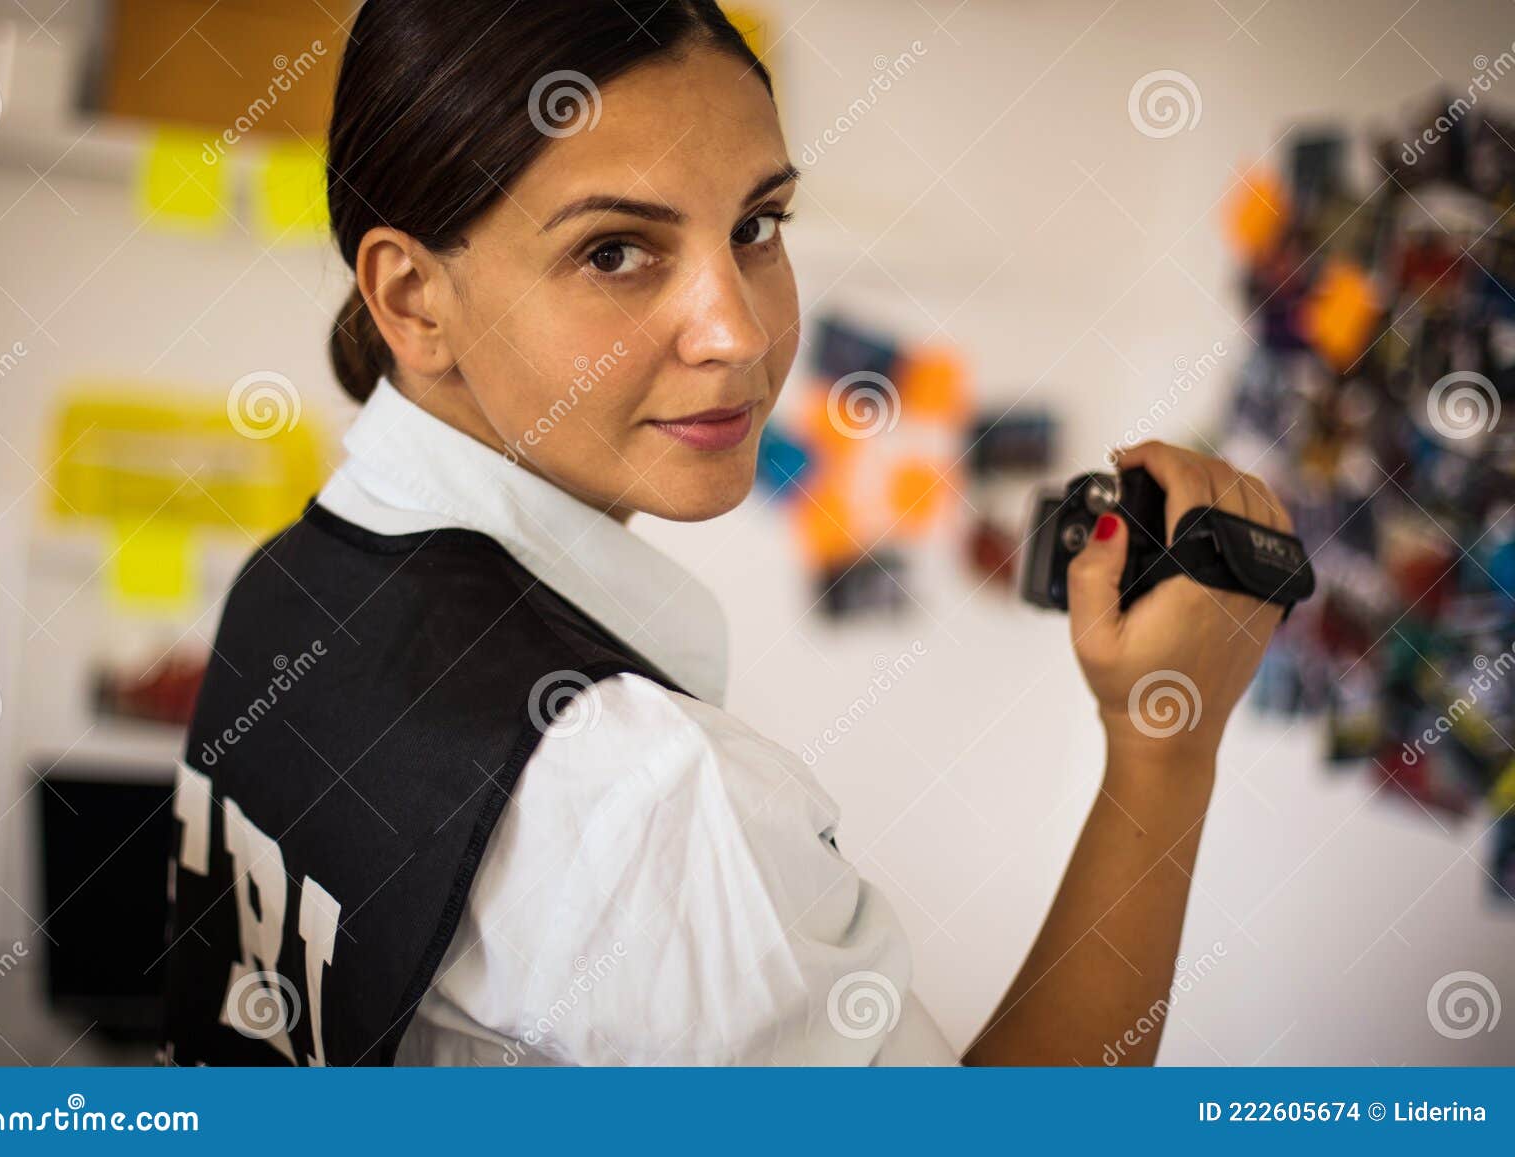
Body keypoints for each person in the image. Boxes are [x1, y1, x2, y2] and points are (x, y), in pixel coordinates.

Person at [160, 0, 1293, 1067]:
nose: (739, 330)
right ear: (412, 299)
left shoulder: (292, 583)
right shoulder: (642, 793)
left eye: (756, 224)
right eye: (615, 250)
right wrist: (1163, 753)